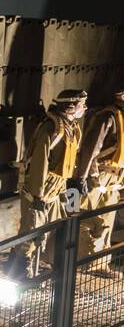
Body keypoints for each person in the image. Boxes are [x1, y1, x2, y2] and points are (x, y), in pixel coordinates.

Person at [7, 88, 87, 282]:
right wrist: (37, 196)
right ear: (70, 107)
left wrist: (77, 182)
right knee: (32, 231)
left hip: (61, 187)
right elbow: (39, 165)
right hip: (43, 189)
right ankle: (18, 274)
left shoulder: (73, 128)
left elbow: (73, 159)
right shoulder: (50, 128)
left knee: (59, 227)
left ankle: (49, 269)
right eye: (80, 104)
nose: (84, 108)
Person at [70, 86, 124, 277]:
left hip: (113, 178)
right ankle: (77, 262)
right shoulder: (107, 118)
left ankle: (99, 263)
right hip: (96, 176)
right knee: (86, 218)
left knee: (106, 220)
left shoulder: (120, 118)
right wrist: (81, 178)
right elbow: (90, 149)